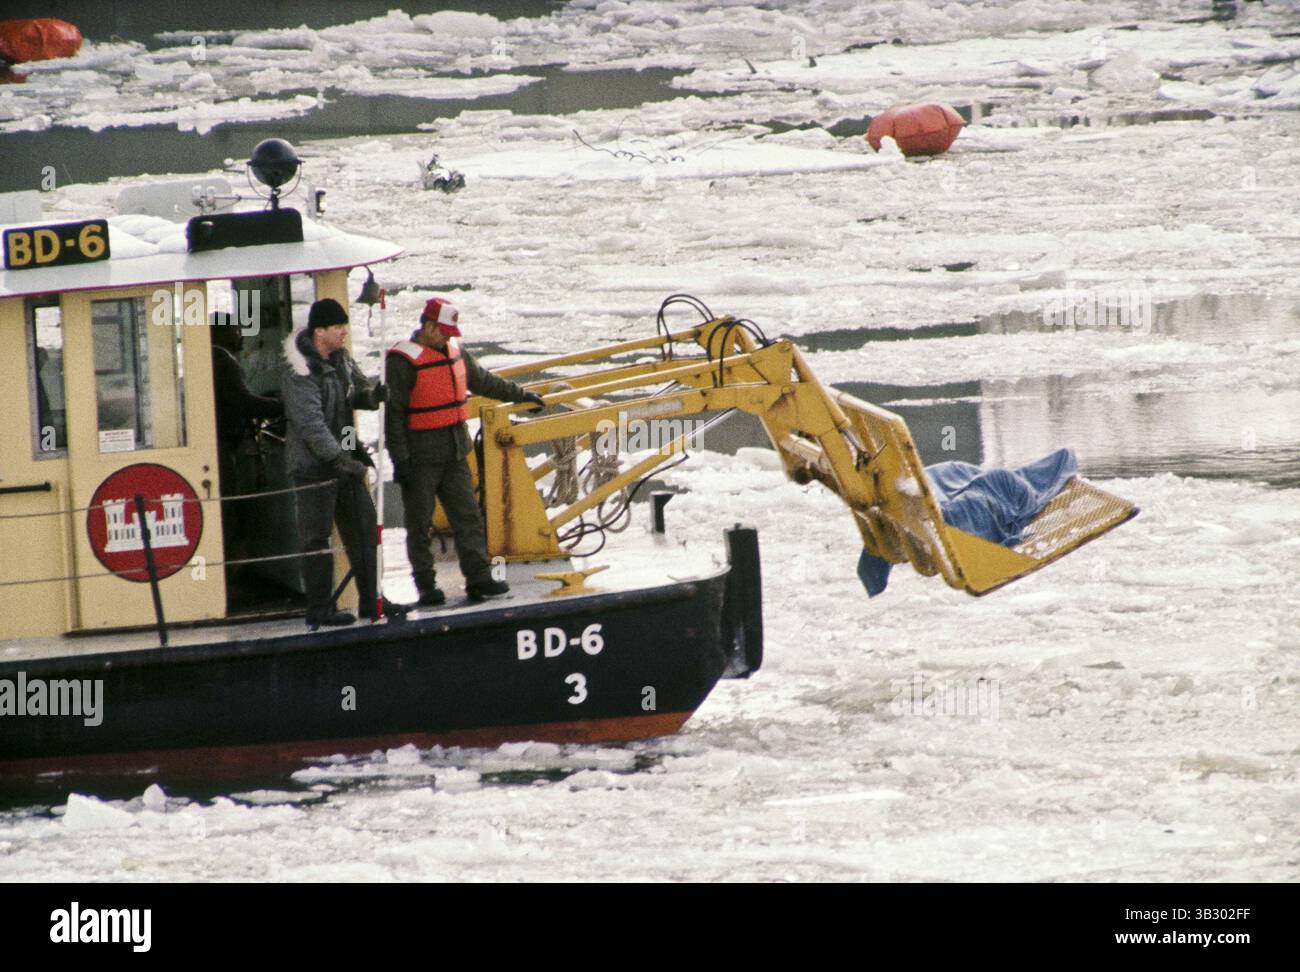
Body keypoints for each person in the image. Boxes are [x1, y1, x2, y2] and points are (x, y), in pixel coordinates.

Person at [385, 297, 543, 605]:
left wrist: (523, 395)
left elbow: (484, 381)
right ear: (427, 326)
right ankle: (426, 587)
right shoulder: (402, 362)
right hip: (420, 459)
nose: (447, 338)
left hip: (455, 451)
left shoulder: (456, 353)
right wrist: (400, 460)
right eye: (443, 331)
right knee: (419, 524)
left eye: (450, 333)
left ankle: (479, 579)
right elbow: (393, 415)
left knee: (468, 516)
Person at [282, 297, 387, 629]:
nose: (345, 331)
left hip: (345, 459)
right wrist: (339, 459)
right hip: (315, 467)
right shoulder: (299, 370)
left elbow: (353, 393)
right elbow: (311, 424)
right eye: (338, 326)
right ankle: (319, 607)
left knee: (365, 531)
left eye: (345, 325)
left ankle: (373, 599)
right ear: (320, 331)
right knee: (316, 538)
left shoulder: (341, 359)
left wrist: (371, 396)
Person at [211, 312, 283, 499]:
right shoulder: (222, 360)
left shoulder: (214, 358)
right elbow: (244, 403)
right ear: (219, 333)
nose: (241, 334)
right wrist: (283, 406)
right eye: (235, 330)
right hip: (224, 447)